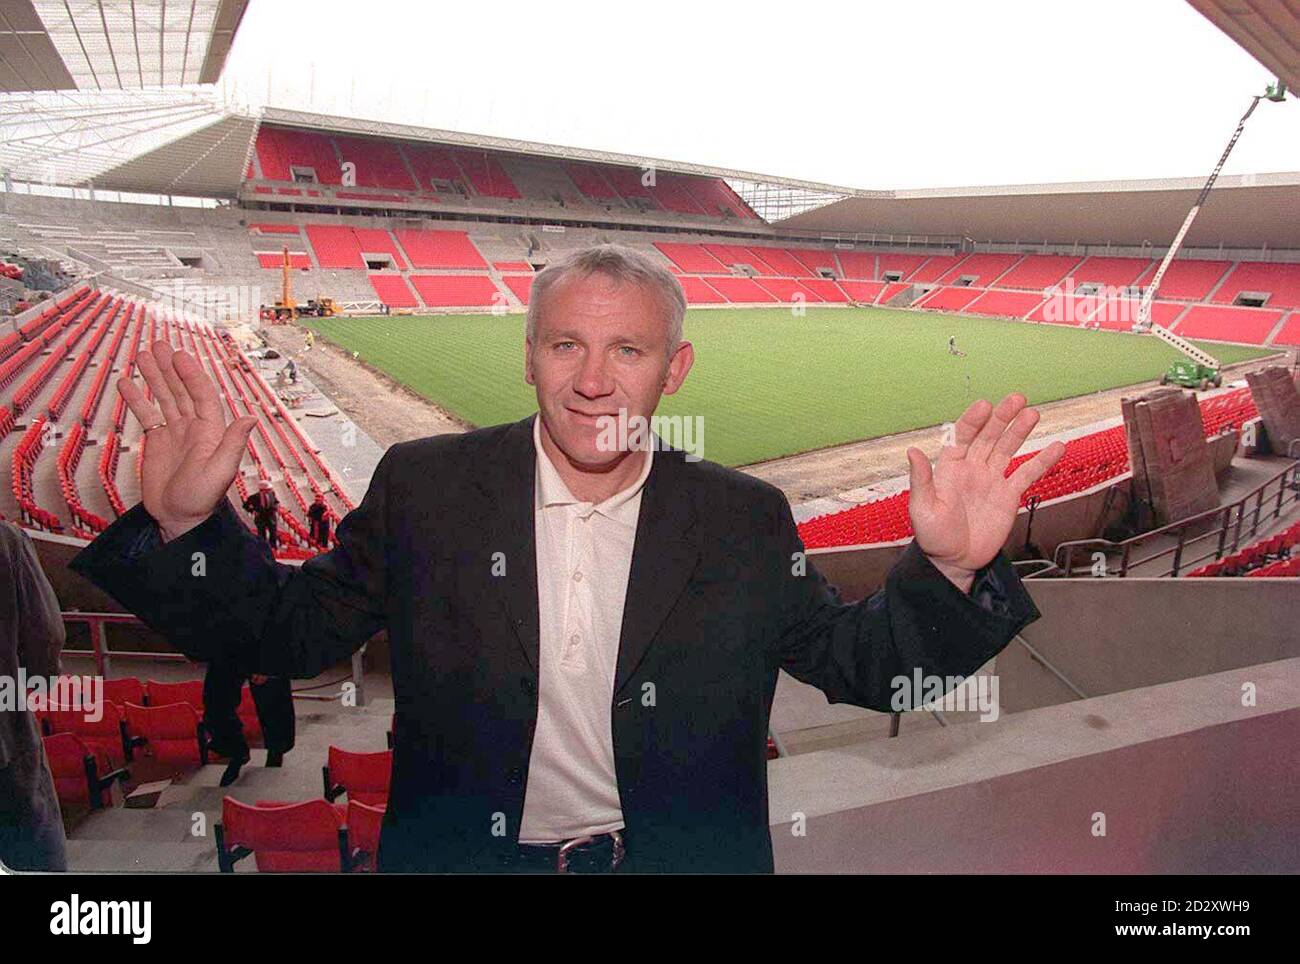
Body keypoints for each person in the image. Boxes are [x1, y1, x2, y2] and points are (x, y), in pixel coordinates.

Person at [70, 244, 1064, 874]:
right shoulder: (425, 488)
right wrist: (186, 534)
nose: (592, 381)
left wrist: (951, 573)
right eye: (564, 347)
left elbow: (868, 667)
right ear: (529, 354)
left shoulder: (740, 518)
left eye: (626, 351)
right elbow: (286, 637)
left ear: (673, 368)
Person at [0, 522, 68, 871]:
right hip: (7, 738)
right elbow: (46, 634)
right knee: (35, 851)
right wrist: (38, 680)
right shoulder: (7, 541)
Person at [202, 659, 296, 786]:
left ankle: (275, 753)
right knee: (215, 699)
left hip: (263, 646)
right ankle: (236, 749)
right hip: (228, 647)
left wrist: (267, 663)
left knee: (274, 702)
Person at [242, 479, 278, 547]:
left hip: (271, 517)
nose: (270, 490)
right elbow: (245, 505)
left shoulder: (272, 494)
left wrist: (276, 507)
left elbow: (276, 502)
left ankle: (273, 548)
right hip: (260, 518)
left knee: (273, 533)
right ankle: (263, 548)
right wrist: (253, 511)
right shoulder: (254, 497)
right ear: (263, 489)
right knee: (261, 535)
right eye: (268, 489)